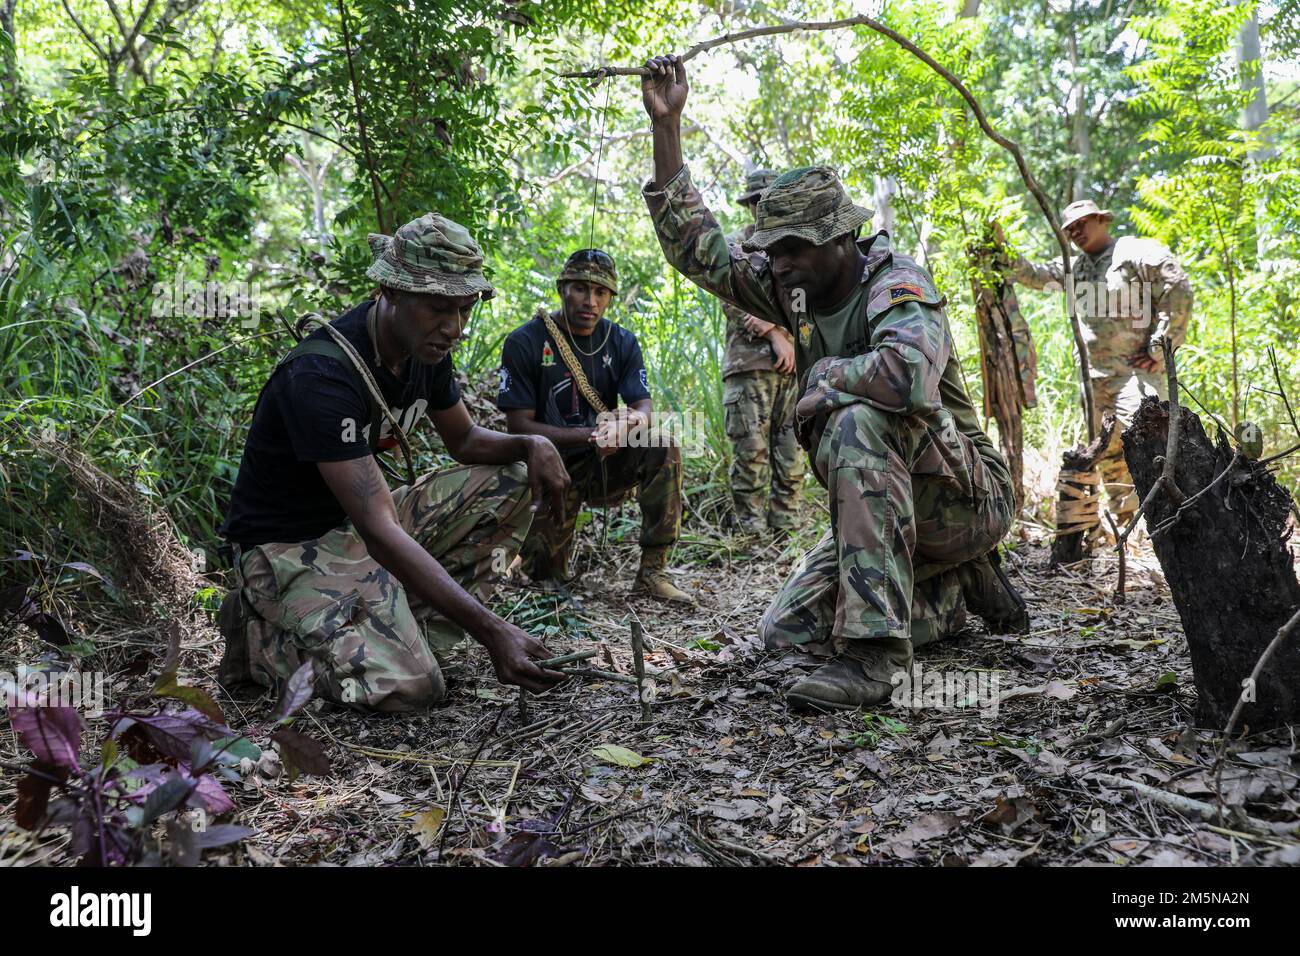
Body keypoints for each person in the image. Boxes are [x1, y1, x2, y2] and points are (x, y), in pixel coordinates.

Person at [639, 54, 1028, 711]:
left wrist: (826, 373)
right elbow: (697, 250)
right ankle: (954, 591)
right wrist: (667, 126)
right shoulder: (788, 288)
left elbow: (907, 378)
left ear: (842, 238)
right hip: (892, 509)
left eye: (795, 247)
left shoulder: (896, 283)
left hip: (970, 495)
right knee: (786, 633)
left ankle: (875, 657)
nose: (779, 261)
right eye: (771, 249)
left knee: (857, 417)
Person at [217, 213, 571, 712]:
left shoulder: (424, 350)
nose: (454, 328)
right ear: (390, 291)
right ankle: (262, 644)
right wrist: (491, 631)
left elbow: (465, 440)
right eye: (439, 309)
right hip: (289, 549)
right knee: (412, 690)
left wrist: (531, 445)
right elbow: (380, 526)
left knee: (510, 481)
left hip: (359, 530)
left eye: (464, 310)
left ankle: (401, 635)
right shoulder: (321, 375)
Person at [497, 248, 693, 605]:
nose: (590, 301)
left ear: (610, 298)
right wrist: (593, 434)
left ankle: (653, 572)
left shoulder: (621, 341)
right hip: (547, 468)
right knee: (544, 581)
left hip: (605, 463)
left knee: (662, 442)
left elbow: (643, 404)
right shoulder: (525, 341)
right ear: (562, 288)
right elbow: (518, 426)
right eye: (580, 289)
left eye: (601, 292)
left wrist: (630, 422)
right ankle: (533, 562)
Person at [1011, 199, 1192, 529]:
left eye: (1082, 224)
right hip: (1094, 379)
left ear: (1101, 219)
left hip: (1133, 374)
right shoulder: (1075, 266)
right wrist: (999, 253)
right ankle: (1130, 525)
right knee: (1108, 453)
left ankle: (1174, 522)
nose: (1076, 233)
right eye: (1069, 231)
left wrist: (1161, 347)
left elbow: (1176, 284)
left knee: (1151, 443)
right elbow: (1035, 275)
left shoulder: (1134, 252)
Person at [720, 168, 806, 535]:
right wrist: (775, 334)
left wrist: (795, 341)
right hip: (750, 364)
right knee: (750, 453)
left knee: (791, 452)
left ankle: (785, 528)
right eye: (757, 202)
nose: (763, 208)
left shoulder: (798, 245)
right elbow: (730, 298)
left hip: (793, 368)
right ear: (751, 206)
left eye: (770, 200)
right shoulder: (737, 245)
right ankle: (750, 532)